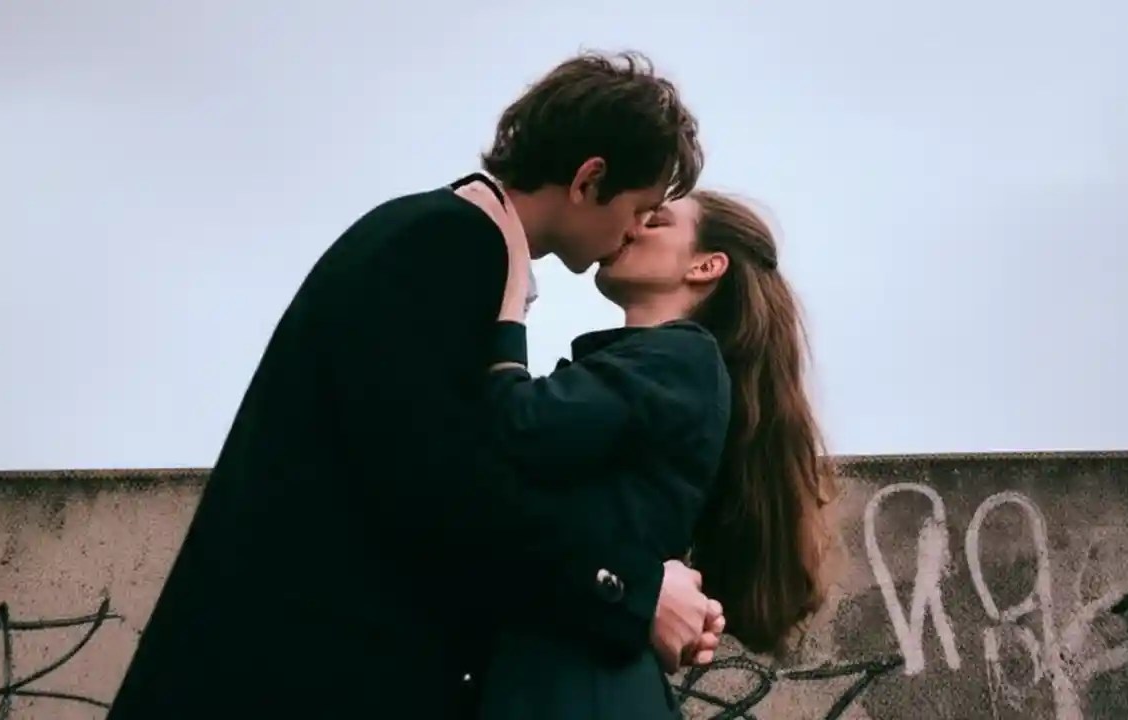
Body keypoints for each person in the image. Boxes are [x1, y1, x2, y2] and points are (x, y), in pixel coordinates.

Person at [105, 51, 722, 720]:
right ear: (589, 178)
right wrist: (632, 591)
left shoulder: (446, 241)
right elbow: (441, 489)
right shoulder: (447, 242)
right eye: (639, 208)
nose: (634, 230)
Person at [453, 182, 840, 718]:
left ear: (705, 266)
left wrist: (510, 299)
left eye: (656, 221)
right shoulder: (652, 372)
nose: (632, 225)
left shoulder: (681, 359)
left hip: (577, 687)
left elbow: (514, 431)